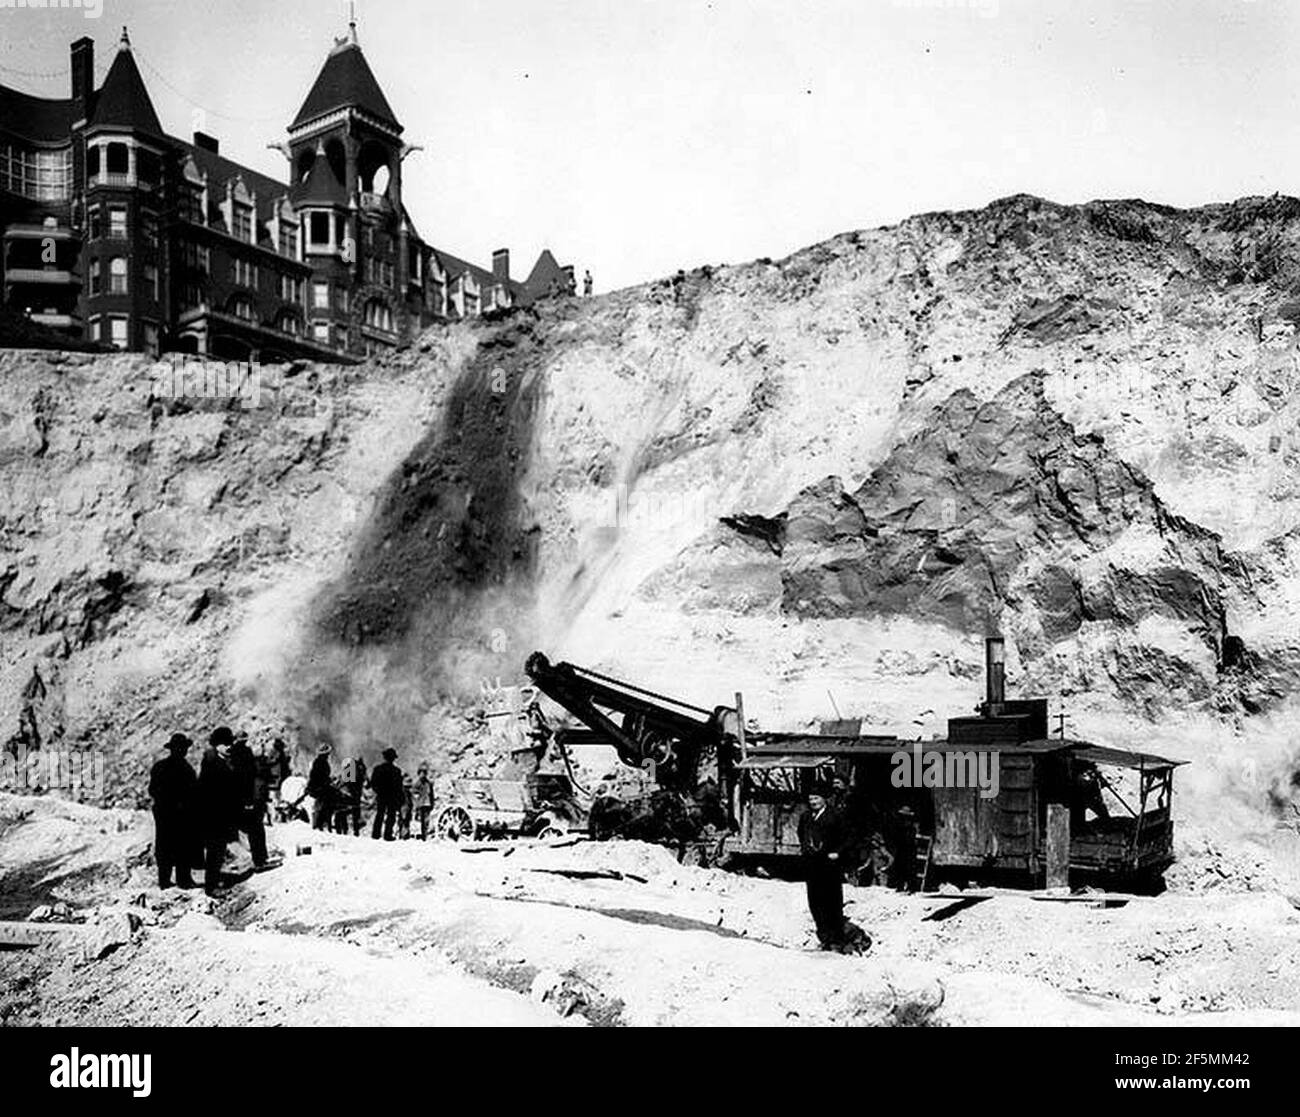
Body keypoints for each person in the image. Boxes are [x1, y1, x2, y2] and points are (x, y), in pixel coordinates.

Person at [797, 787, 848, 950]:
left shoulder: (835, 816)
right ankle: (824, 937)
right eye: (811, 799)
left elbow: (847, 837)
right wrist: (805, 848)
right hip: (812, 864)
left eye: (816, 799)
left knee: (831, 901)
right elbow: (801, 834)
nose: (813, 802)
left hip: (829, 865)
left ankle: (837, 939)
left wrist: (838, 852)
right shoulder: (805, 817)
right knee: (815, 901)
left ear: (824, 799)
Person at [148, 733, 197, 889]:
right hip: (178, 814)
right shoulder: (187, 769)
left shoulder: (160, 767)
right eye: (182, 748)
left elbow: (152, 790)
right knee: (182, 845)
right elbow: (192, 793)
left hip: (165, 813)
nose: (184, 751)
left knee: (166, 846)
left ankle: (165, 881)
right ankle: (182, 880)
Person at [197, 727, 240, 896]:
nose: (229, 746)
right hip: (214, 815)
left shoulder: (219, 761)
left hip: (219, 814)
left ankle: (213, 882)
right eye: (225, 744)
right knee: (215, 851)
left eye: (230, 743)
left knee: (218, 851)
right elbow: (209, 792)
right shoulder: (212, 764)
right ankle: (211, 887)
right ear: (217, 745)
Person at [229, 731, 268, 868]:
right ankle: (260, 861)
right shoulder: (245, 753)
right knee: (256, 829)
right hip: (245, 798)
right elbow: (247, 777)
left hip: (235, 799)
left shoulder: (231, 753)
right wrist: (249, 800)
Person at [368, 747, 403, 841]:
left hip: (381, 796)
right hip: (392, 797)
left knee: (379, 814)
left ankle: (376, 834)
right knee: (391, 816)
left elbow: (373, 783)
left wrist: (379, 791)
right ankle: (388, 835)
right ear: (393, 758)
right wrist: (399, 799)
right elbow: (399, 787)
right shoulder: (397, 771)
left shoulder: (378, 769)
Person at [306, 744, 334, 831]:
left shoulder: (318, 761)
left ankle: (322, 822)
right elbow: (320, 776)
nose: (328, 755)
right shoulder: (321, 763)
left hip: (318, 786)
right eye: (328, 754)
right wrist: (328, 781)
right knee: (327, 803)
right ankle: (321, 823)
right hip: (319, 788)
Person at [340, 754, 367, 836]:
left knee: (344, 811)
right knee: (355, 811)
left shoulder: (350, 768)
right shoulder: (359, 769)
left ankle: (345, 830)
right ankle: (355, 831)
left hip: (349, 792)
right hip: (355, 792)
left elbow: (345, 782)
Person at [412, 765, 435, 840]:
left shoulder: (429, 783)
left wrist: (432, 803)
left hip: (427, 804)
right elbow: (414, 793)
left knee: (426, 820)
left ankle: (425, 835)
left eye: (424, 773)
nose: (423, 774)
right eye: (421, 773)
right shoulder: (417, 783)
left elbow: (431, 794)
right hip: (421, 804)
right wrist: (416, 803)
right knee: (422, 820)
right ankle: (423, 835)